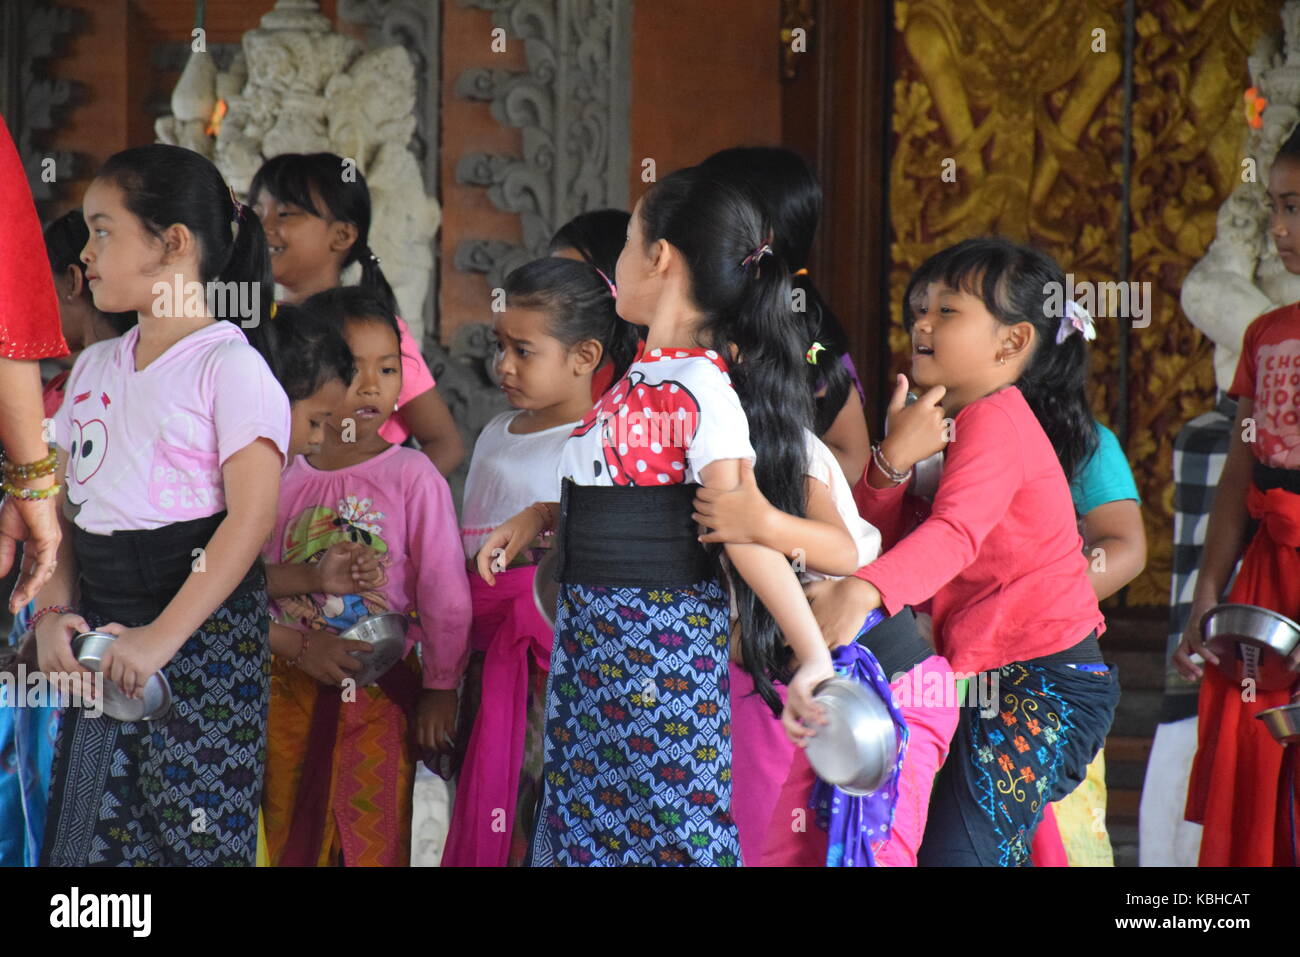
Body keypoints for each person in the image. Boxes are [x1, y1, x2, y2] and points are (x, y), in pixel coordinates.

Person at [476, 166, 836, 866]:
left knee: (673, 840)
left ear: (660, 258)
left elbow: (740, 530)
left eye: (626, 245)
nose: (615, 265)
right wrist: (543, 514)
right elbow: (626, 488)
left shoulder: (701, 388)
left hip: (657, 662)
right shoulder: (642, 379)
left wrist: (813, 654)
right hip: (590, 661)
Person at [806, 237, 1120, 866]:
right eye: (918, 308)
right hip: (984, 678)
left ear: (1011, 343)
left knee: (958, 855)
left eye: (947, 311)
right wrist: (893, 458)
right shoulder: (948, 421)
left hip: (1042, 682)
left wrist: (863, 591)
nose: (922, 322)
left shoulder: (996, 419)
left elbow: (953, 536)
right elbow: (878, 543)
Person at [35, 144, 290, 866]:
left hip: (202, 645)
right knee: (87, 845)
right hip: (99, 640)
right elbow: (59, 512)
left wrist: (159, 639)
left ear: (172, 242)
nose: (86, 253)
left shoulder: (230, 367)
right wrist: (54, 612)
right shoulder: (92, 368)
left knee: (191, 842)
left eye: (103, 230)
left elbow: (251, 519)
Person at [260, 287, 471, 867]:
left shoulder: (412, 476)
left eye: (389, 367)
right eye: (356, 368)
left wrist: (440, 687)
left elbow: (445, 596)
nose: (374, 384)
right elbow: (246, 578)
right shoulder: (278, 473)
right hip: (286, 685)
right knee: (288, 828)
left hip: (380, 689)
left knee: (371, 833)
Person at [443, 256, 636, 867]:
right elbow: (470, 560)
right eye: (499, 346)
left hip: (559, 674)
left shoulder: (605, 440)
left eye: (523, 350)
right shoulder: (496, 431)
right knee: (479, 798)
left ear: (583, 356)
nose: (503, 365)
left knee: (542, 817)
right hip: (483, 659)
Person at [1174, 125, 1300, 866]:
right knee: (1256, 768)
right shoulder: (1266, 336)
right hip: (1267, 579)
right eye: (1276, 208)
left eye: (1293, 209)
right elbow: (1240, 470)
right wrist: (1206, 595)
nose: (1278, 229)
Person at [0, 207, 135, 868]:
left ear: (74, 283)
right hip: (65, 625)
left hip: (62, 631)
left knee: (41, 806)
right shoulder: (72, 386)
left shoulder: (69, 395)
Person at [248, 152, 464, 475]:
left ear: (342, 236)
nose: (264, 226)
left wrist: (382, 499)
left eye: (285, 214)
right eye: (257, 213)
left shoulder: (377, 333)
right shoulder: (255, 325)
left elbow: (444, 443)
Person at [699, 147, 871, 483]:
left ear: (764, 238)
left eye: (710, 214)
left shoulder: (811, 337)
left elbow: (853, 463)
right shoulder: (695, 315)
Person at [548, 209, 634, 399]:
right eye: (554, 280)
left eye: (578, 279)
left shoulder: (648, 378)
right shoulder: (547, 368)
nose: (558, 295)